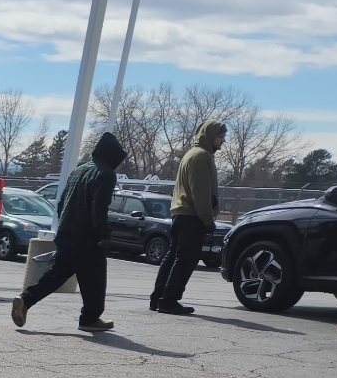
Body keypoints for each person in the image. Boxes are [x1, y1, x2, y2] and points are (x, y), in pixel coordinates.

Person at [13, 132, 127, 332]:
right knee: (95, 277)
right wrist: (104, 235)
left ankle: (26, 298)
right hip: (87, 237)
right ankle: (90, 319)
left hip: (66, 233)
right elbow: (99, 208)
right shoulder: (105, 174)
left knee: (57, 274)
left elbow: (61, 203)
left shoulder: (79, 171)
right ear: (112, 155)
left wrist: (65, 225)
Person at [152, 119, 225, 315]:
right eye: (220, 136)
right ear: (210, 136)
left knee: (173, 257)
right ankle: (169, 300)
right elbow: (200, 193)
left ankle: (158, 298)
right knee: (186, 260)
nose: (223, 140)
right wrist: (208, 220)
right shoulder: (201, 156)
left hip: (181, 215)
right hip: (192, 217)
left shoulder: (192, 154)